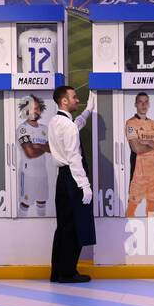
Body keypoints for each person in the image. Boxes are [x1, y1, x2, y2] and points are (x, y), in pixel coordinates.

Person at [48, 84, 96, 283]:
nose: (78, 99)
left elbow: (75, 127)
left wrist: (87, 111)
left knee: (63, 226)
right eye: (75, 97)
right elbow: (74, 157)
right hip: (73, 178)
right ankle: (68, 273)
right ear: (64, 101)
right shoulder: (67, 126)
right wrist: (85, 185)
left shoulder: (55, 121)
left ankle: (58, 272)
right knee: (75, 227)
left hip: (63, 178)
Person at [124, 92, 154, 218]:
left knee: (152, 204)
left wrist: (146, 142)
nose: (143, 105)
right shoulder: (131, 124)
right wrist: (153, 144)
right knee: (132, 205)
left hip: (153, 171)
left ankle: (151, 231)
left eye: (146, 102)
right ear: (135, 104)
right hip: (138, 171)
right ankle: (127, 231)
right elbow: (136, 148)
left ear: (149, 104)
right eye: (140, 102)